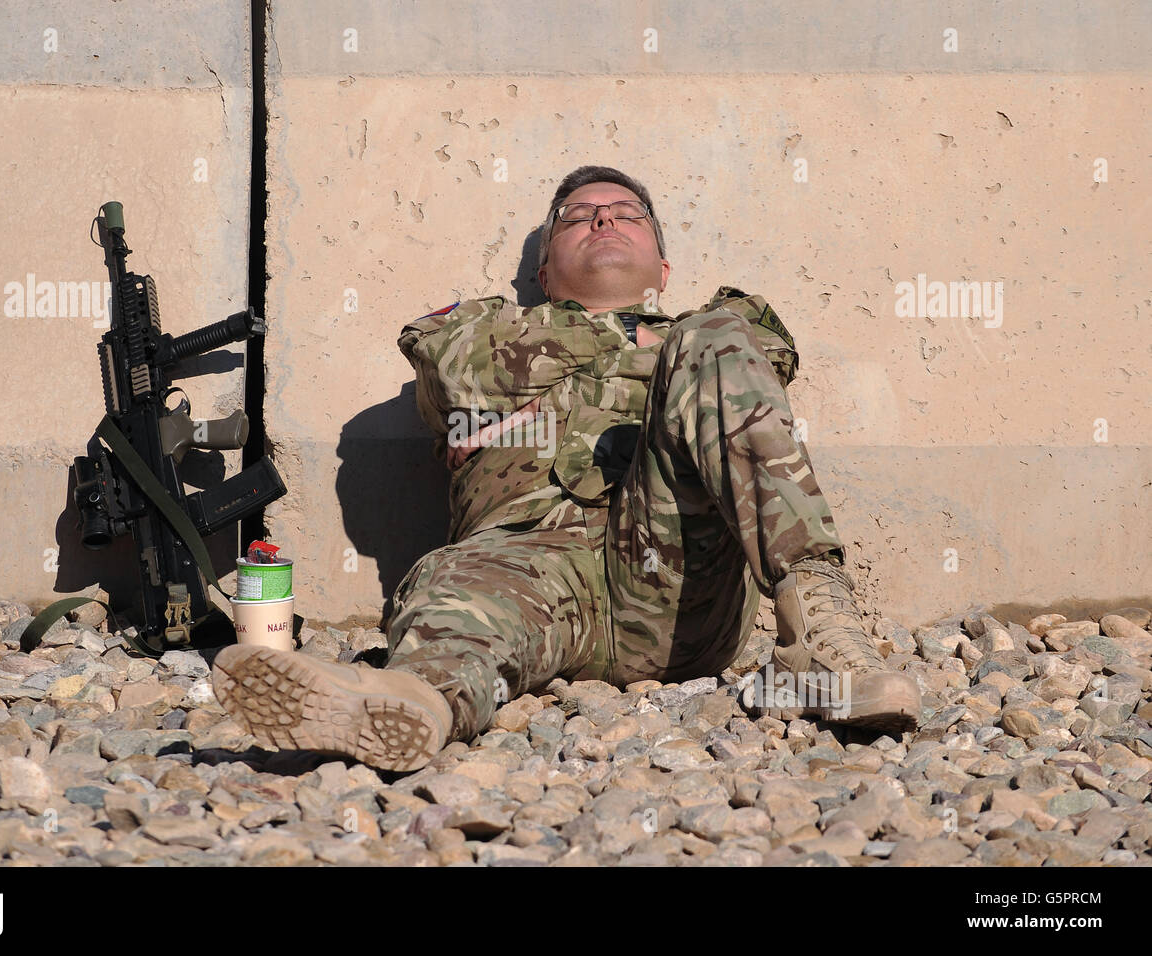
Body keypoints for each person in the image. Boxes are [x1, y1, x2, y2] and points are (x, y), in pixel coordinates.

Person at [213, 164, 921, 772]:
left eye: (625, 214)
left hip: (673, 586)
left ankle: (828, 641)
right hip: (525, 570)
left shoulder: (714, 335)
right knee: (455, 597)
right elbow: (459, 367)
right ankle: (415, 704)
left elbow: (756, 363)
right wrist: (635, 351)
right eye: (576, 218)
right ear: (545, 272)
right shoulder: (471, 333)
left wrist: (545, 397)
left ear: (663, 268)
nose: (602, 221)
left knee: (713, 340)